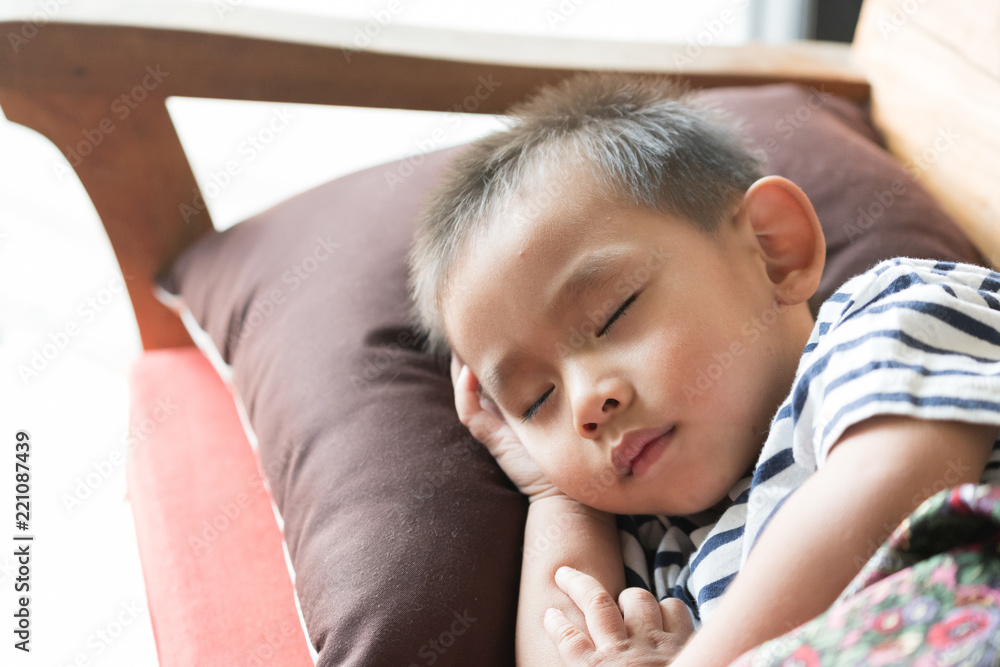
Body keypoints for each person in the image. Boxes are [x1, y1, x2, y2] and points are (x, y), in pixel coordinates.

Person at [406, 72, 1000, 666]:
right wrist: (555, 496)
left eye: (614, 313)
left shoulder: (888, 311)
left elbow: (889, 485)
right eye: (537, 401)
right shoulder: (660, 550)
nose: (586, 404)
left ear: (772, 249)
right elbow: (564, 648)